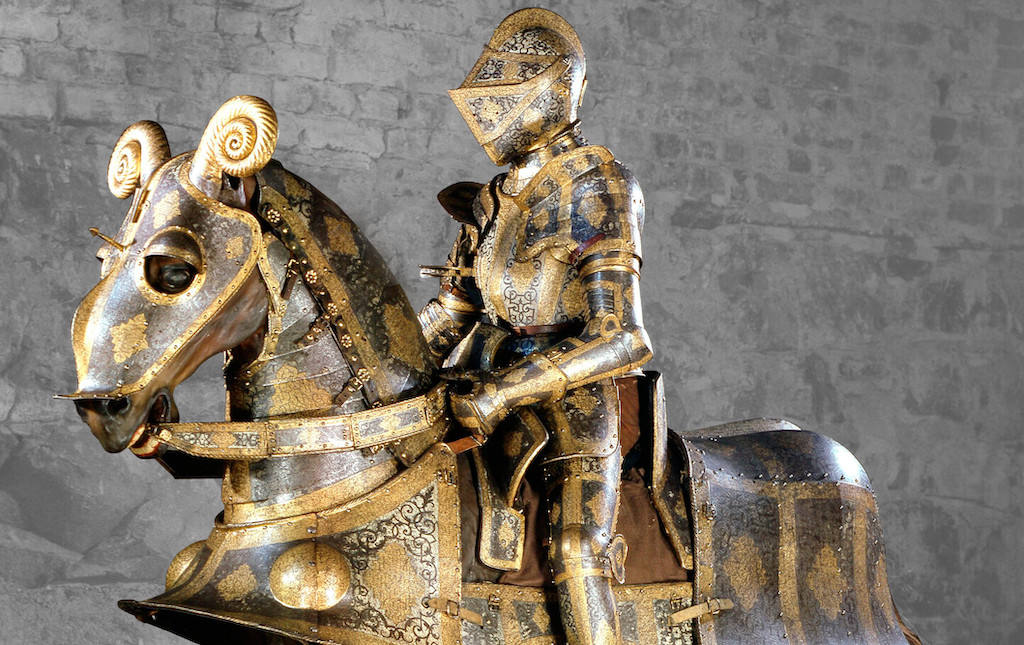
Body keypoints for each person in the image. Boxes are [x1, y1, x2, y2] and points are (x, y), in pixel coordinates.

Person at [418, 8, 652, 645]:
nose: (489, 110)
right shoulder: (492, 198)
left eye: (506, 91)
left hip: (572, 397)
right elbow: (455, 311)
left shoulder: (598, 185)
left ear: (551, 90)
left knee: (577, 548)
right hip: (478, 377)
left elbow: (622, 335)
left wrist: (505, 392)